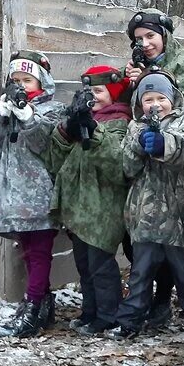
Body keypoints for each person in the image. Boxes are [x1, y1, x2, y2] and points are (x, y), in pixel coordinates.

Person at [111, 69, 184, 341]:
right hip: (144, 217)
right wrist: (139, 147)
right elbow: (128, 168)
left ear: (172, 99)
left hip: (178, 216)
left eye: (160, 98)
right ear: (140, 103)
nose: (155, 104)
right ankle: (130, 320)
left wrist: (163, 144)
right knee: (140, 273)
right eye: (148, 99)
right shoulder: (135, 127)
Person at [122, 9, 184, 328]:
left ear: (164, 35)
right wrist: (133, 81)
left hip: (177, 197)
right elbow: (134, 115)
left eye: (150, 36)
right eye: (138, 39)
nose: (145, 43)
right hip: (145, 207)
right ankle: (137, 314)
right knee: (141, 264)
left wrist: (162, 143)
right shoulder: (138, 119)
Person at [0, 50, 65, 338]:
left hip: (40, 197)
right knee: (28, 250)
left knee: (39, 251)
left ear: (42, 83)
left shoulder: (52, 111)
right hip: (11, 198)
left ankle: (33, 305)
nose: (21, 85)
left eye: (27, 79)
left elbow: (45, 143)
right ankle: (42, 304)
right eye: (16, 79)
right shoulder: (6, 111)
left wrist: (28, 118)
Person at [48, 66, 133, 335]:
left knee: (100, 265)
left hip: (103, 208)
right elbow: (56, 158)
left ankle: (108, 315)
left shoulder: (120, 122)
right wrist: (67, 129)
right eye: (89, 92)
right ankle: (90, 311)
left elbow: (117, 165)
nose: (93, 96)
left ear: (114, 93)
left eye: (99, 91)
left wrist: (93, 131)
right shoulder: (84, 119)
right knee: (84, 264)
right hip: (80, 207)